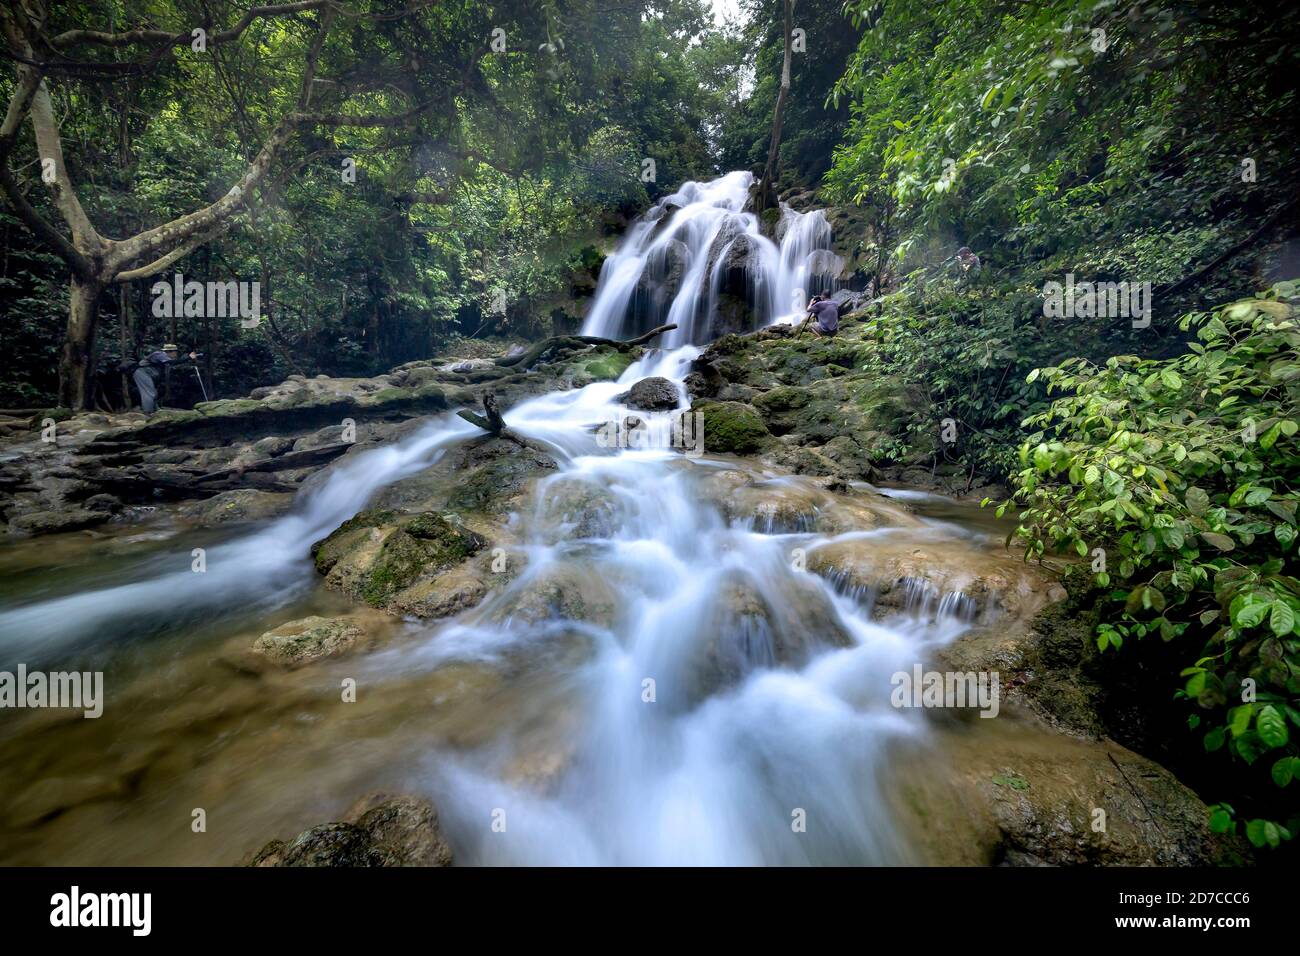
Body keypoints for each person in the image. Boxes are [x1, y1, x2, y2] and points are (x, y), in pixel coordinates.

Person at [133, 343, 197, 414]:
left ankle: (154, 409)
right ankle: (148, 412)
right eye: (175, 352)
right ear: (170, 352)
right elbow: (172, 362)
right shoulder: (159, 354)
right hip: (142, 373)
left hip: (149, 375)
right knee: (149, 393)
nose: (176, 354)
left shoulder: (164, 357)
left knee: (154, 392)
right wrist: (188, 357)